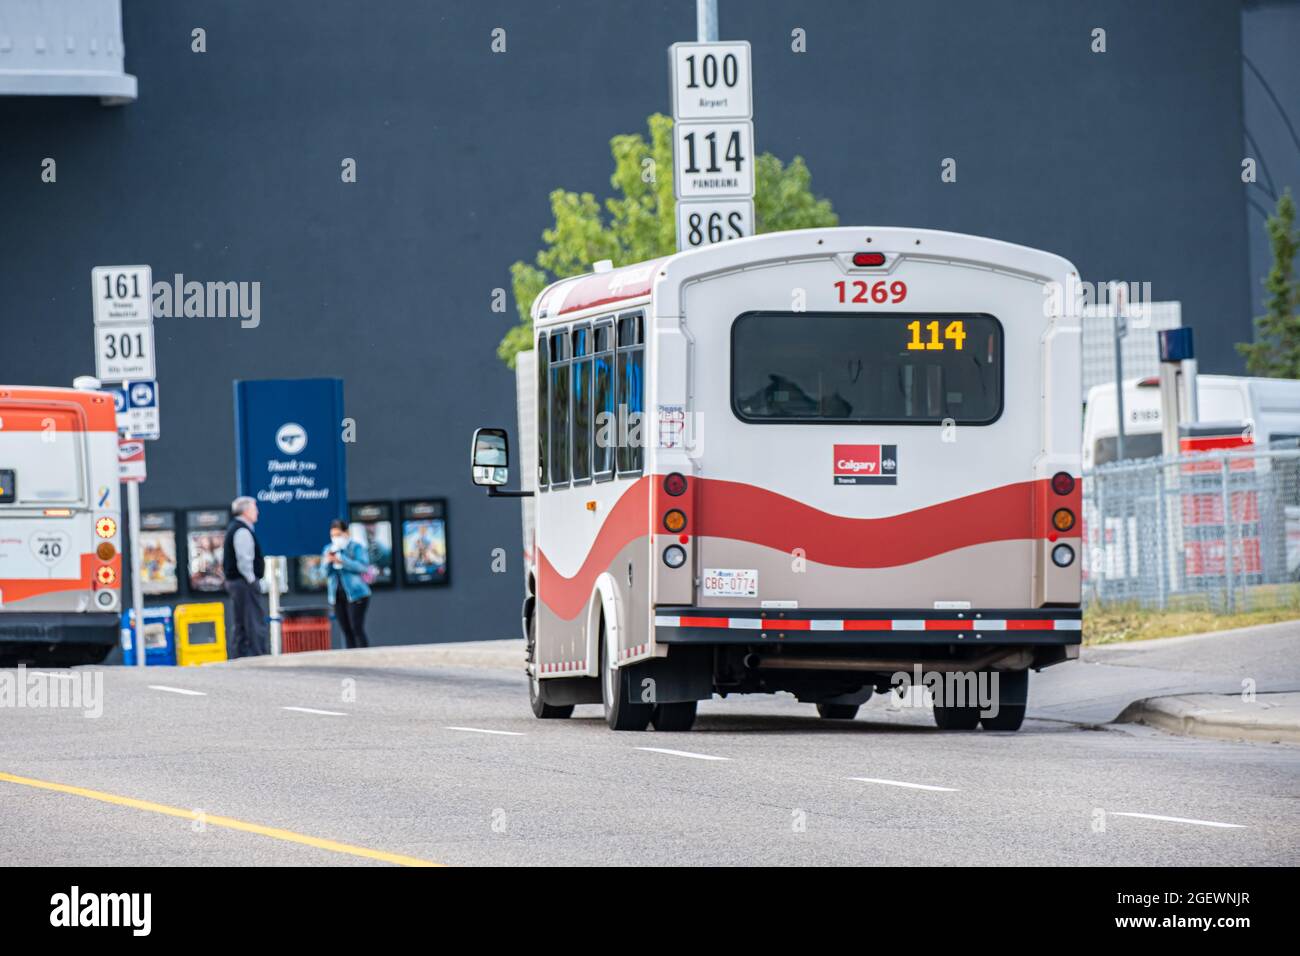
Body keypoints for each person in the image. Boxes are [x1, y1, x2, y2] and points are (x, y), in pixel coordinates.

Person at [222, 496, 268, 657]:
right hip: (243, 583)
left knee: (241, 622)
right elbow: (244, 559)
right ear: (246, 510)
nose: (257, 512)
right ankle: (257, 655)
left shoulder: (235, 527)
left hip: (237, 582)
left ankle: (239, 656)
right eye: (255, 508)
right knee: (253, 621)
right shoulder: (242, 530)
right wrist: (251, 579)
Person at [323, 518, 372, 649]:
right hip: (337, 595)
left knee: (356, 627)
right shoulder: (328, 549)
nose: (335, 538)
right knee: (346, 631)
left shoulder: (356, 547)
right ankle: (351, 660)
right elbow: (324, 574)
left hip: (357, 593)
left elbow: (362, 567)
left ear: (346, 533)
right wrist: (328, 562)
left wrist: (342, 561)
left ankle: (365, 657)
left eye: (338, 535)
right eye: (333, 535)